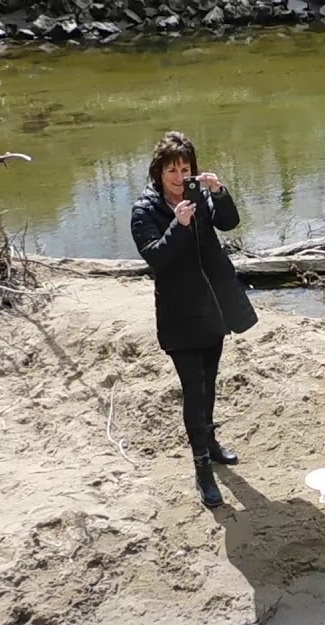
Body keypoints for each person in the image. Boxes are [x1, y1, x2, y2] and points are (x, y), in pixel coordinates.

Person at [130, 131, 258, 509]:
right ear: (158, 172)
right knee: (194, 388)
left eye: (185, 168)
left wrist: (218, 193)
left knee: (211, 381)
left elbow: (229, 223)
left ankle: (212, 442)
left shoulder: (198, 195)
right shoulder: (144, 210)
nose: (179, 175)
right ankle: (201, 466)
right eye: (171, 169)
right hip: (178, 312)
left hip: (211, 306)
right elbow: (155, 257)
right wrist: (178, 226)